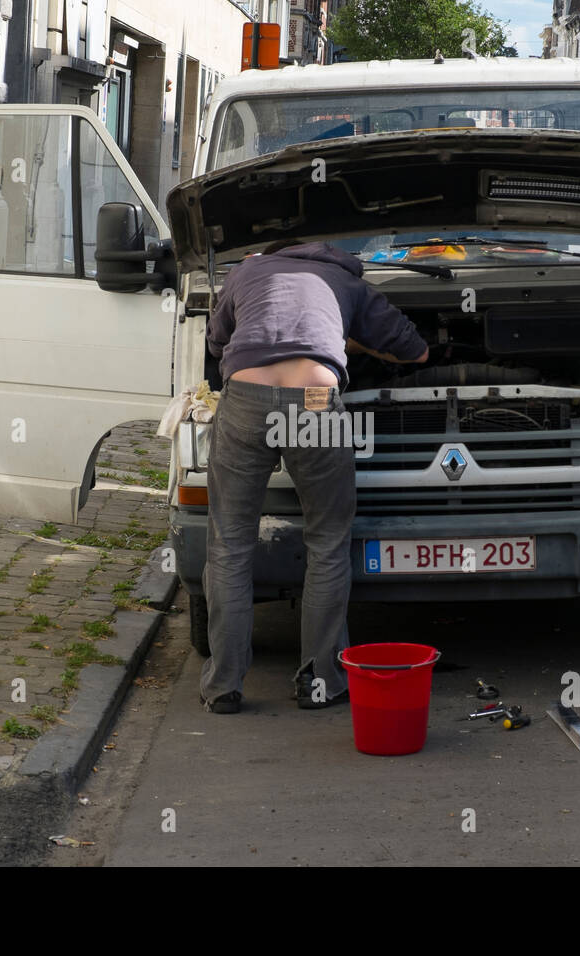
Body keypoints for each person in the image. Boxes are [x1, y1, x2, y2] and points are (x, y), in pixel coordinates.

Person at [199, 240, 429, 714]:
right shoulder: (348, 281)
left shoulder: (247, 272)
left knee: (229, 544)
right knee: (326, 541)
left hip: (245, 396)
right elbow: (416, 351)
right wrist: (353, 341)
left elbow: (216, 342)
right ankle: (321, 680)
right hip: (316, 400)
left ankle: (223, 687)